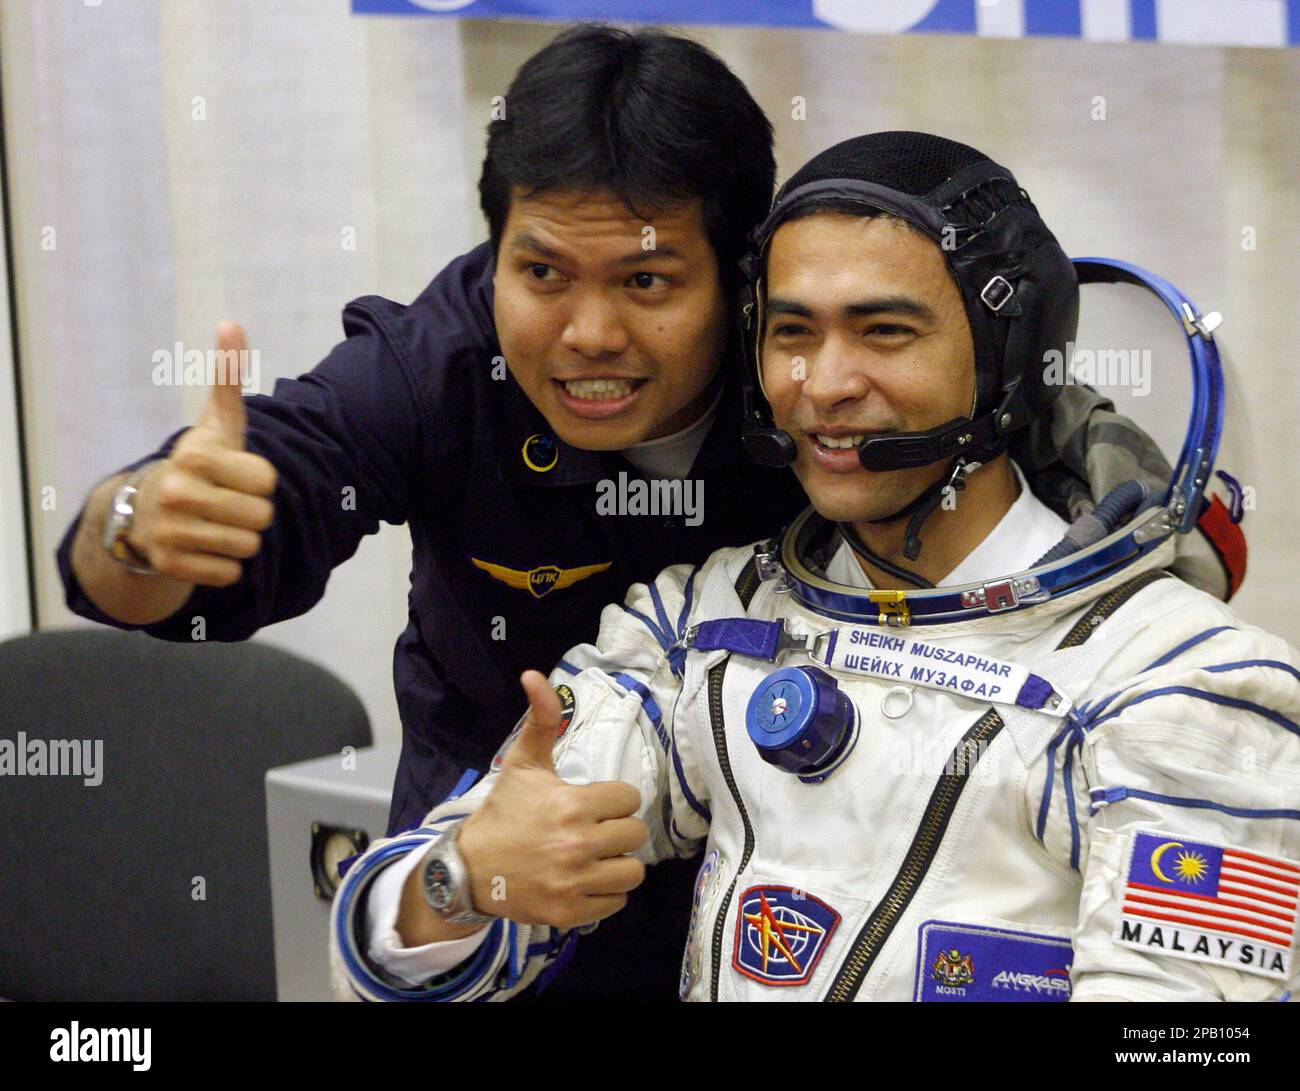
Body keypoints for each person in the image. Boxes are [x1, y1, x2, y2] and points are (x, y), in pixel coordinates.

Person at [330, 132, 1299, 1003]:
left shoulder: (1182, 687)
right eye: (791, 333)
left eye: (884, 332)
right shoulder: (700, 627)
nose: (822, 386)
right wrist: (460, 876)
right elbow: (404, 966)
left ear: (1010, 358)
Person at [54, 25, 809, 1002]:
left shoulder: (813, 379)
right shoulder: (438, 365)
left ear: (741, 278)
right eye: (540, 273)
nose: (587, 334)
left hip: (776, 889)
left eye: (646, 281)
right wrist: (136, 517)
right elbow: (146, 572)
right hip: (483, 884)